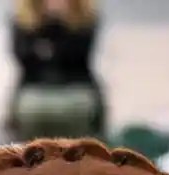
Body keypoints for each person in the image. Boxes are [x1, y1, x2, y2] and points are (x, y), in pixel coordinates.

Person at [10, 0, 103, 139]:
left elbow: (76, 56)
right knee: (30, 111)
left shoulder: (86, 22)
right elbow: (24, 58)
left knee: (79, 110)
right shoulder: (23, 22)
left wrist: (57, 24)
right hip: (35, 89)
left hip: (75, 87)